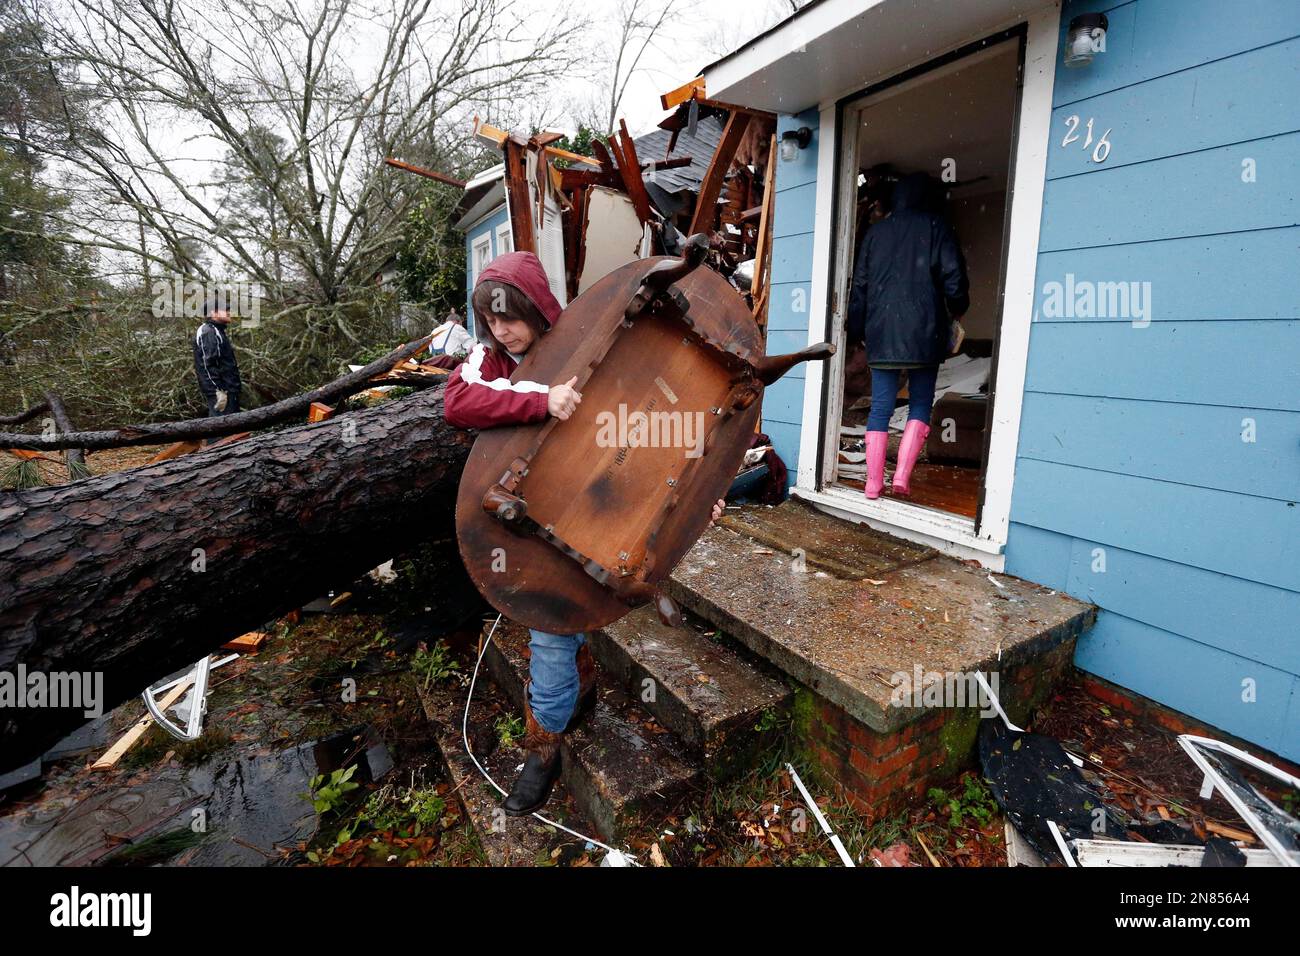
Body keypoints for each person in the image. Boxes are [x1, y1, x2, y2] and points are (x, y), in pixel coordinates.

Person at [444, 251, 724, 816]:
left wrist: (700, 495)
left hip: (601, 516)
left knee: (566, 626)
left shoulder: (592, 339)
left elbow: (647, 422)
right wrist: (542, 399)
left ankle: (575, 694)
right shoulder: (490, 361)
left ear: (537, 308)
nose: (502, 330)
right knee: (551, 630)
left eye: (511, 316)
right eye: (491, 319)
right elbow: (458, 400)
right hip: (531, 527)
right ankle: (544, 746)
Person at [846, 172, 968, 499]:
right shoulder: (936, 227)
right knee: (920, 402)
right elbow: (954, 277)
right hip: (925, 333)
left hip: (882, 332)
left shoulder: (875, 233)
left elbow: (860, 287)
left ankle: (873, 483)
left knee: (881, 406)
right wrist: (958, 308)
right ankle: (901, 477)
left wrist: (857, 328)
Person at [193, 296, 242, 419]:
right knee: (221, 432)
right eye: (225, 309)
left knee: (234, 430)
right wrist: (218, 391)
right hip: (221, 392)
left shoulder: (217, 330)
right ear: (213, 313)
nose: (229, 312)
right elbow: (208, 364)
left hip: (229, 390)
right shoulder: (209, 331)